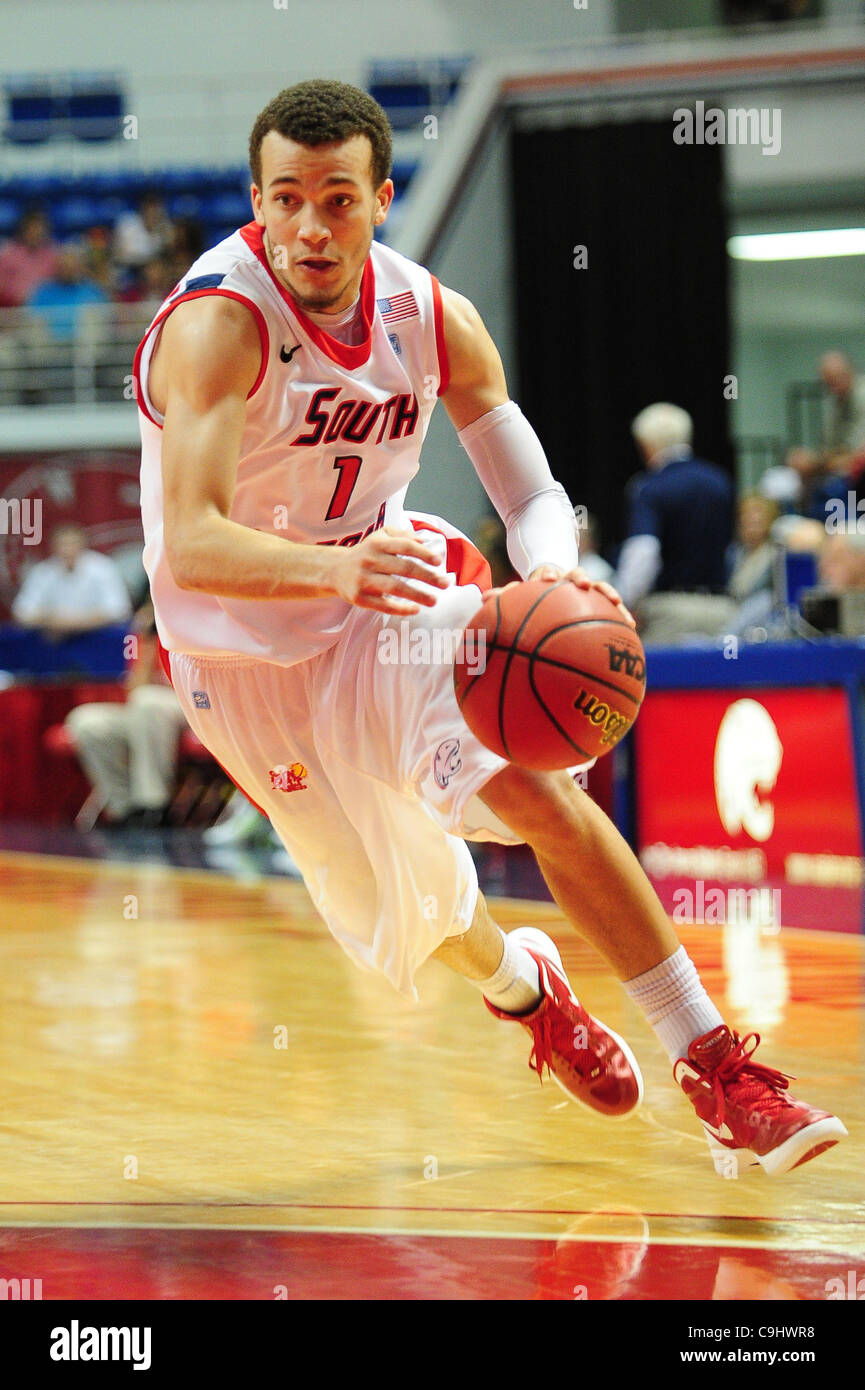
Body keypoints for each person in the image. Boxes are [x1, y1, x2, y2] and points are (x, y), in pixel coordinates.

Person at [135, 79, 845, 1178]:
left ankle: (713, 1065)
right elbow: (191, 543)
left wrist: (553, 582)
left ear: (380, 198)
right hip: (240, 656)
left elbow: (530, 496)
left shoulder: (432, 318)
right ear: (256, 203)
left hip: (391, 598)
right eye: (285, 199)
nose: (309, 226)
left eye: (335, 197)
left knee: (531, 785)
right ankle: (525, 987)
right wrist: (334, 566)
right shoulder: (219, 328)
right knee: (402, 912)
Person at [615, 403, 736, 645]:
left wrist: (623, 602)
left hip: (669, 614)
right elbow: (732, 548)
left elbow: (643, 552)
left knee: (656, 681)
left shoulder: (650, 487)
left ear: (646, 445)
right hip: (723, 611)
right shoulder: (720, 481)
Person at [64, 598, 189, 828]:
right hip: (148, 712)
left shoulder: (196, 622)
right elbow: (134, 689)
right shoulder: (140, 635)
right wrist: (149, 640)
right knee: (86, 721)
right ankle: (125, 810)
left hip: (194, 710)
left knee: (148, 702)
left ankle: (153, 806)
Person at [12, 522, 131, 639]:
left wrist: (76, 623)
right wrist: (53, 621)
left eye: (73, 543)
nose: (68, 549)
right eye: (63, 544)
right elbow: (22, 611)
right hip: (52, 639)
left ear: (84, 544)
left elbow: (119, 609)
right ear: (53, 547)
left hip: (98, 638)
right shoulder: (42, 571)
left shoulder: (103, 567)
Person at [0, 209, 59, 310]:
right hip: (13, 310)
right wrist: (17, 299)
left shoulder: (54, 255)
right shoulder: (7, 255)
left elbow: (59, 285)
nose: (35, 233)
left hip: (46, 310)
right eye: (31, 229)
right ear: (23, 230)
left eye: (39, 229)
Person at [818, 350, 865, 463]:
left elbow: (858, 451)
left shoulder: (861, 395)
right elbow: (827, 446)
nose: (833, 388)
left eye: (836, 379)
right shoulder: (836, 402)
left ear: (850, 372)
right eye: (828, 383)